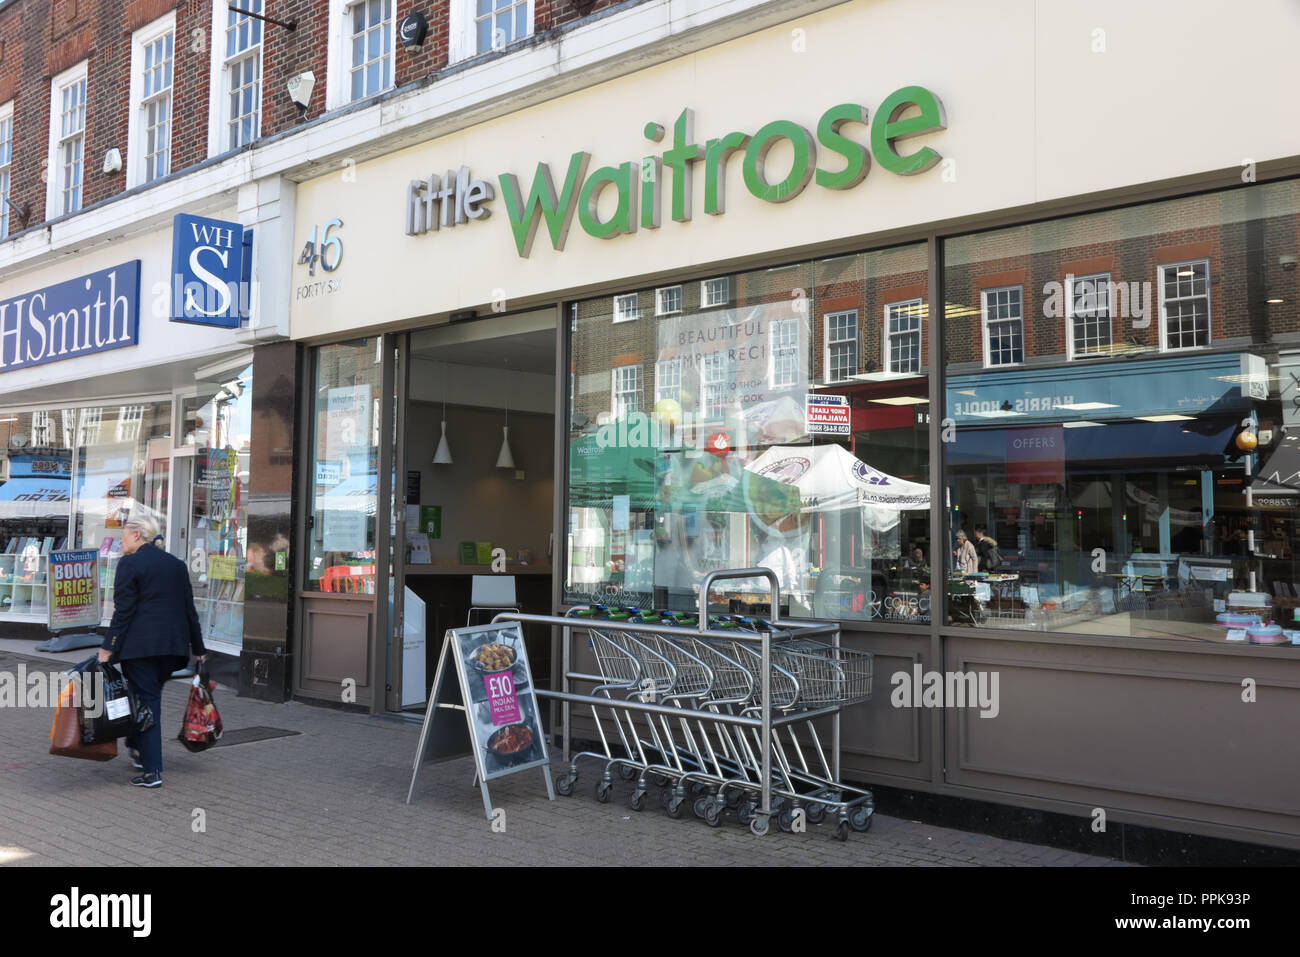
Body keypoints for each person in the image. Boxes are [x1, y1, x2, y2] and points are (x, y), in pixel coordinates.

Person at [97, 517, 206, 788]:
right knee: (145, 697)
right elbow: (189, 610)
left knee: (147, 704)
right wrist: (199, 648)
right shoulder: (176, 564)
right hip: (171, 649)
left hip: (140, 648)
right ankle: (136, 746)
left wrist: (107, 646)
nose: (120, 541)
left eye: (123, 535)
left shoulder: (130, 563)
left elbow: (124, 611)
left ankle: (152, 771)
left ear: (137, 535)